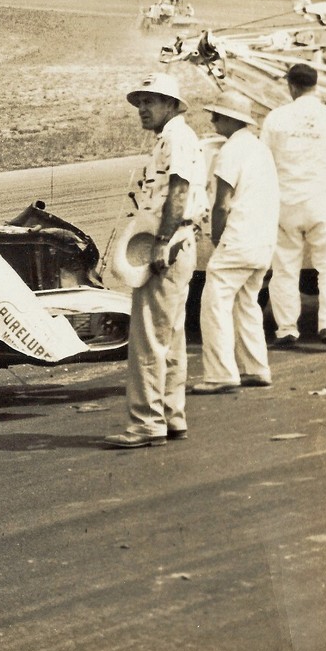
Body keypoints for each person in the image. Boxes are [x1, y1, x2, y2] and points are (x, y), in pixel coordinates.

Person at [105, 73, 206, 448]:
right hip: (177, 242)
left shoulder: (177, 138)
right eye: (141, 102)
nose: (143, 109)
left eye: (151, 101)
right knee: (171, 337)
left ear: (171, 105)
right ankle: (171, 415)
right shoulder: (173, 137)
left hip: (168, 243)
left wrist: (162, 242)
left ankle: (146, 422)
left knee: (148, 340)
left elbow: (178, 192)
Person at [261, 63, 326, 351]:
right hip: (323, 200)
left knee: (284, 268)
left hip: (285, 202)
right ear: (315, 85)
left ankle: (286, 329)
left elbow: (264, 161)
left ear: (291, 86)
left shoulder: (275, 118)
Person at [190, 92, 280, 394]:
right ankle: (256, 368)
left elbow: (222, 204)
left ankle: (220, 374)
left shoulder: (229, 151)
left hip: (238, 239)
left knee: (214, 304)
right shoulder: (259, 149)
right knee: (247, 303)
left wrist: (217, 237)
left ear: (232, 119)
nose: (213, 120)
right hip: (262, 241)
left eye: (217, 115)